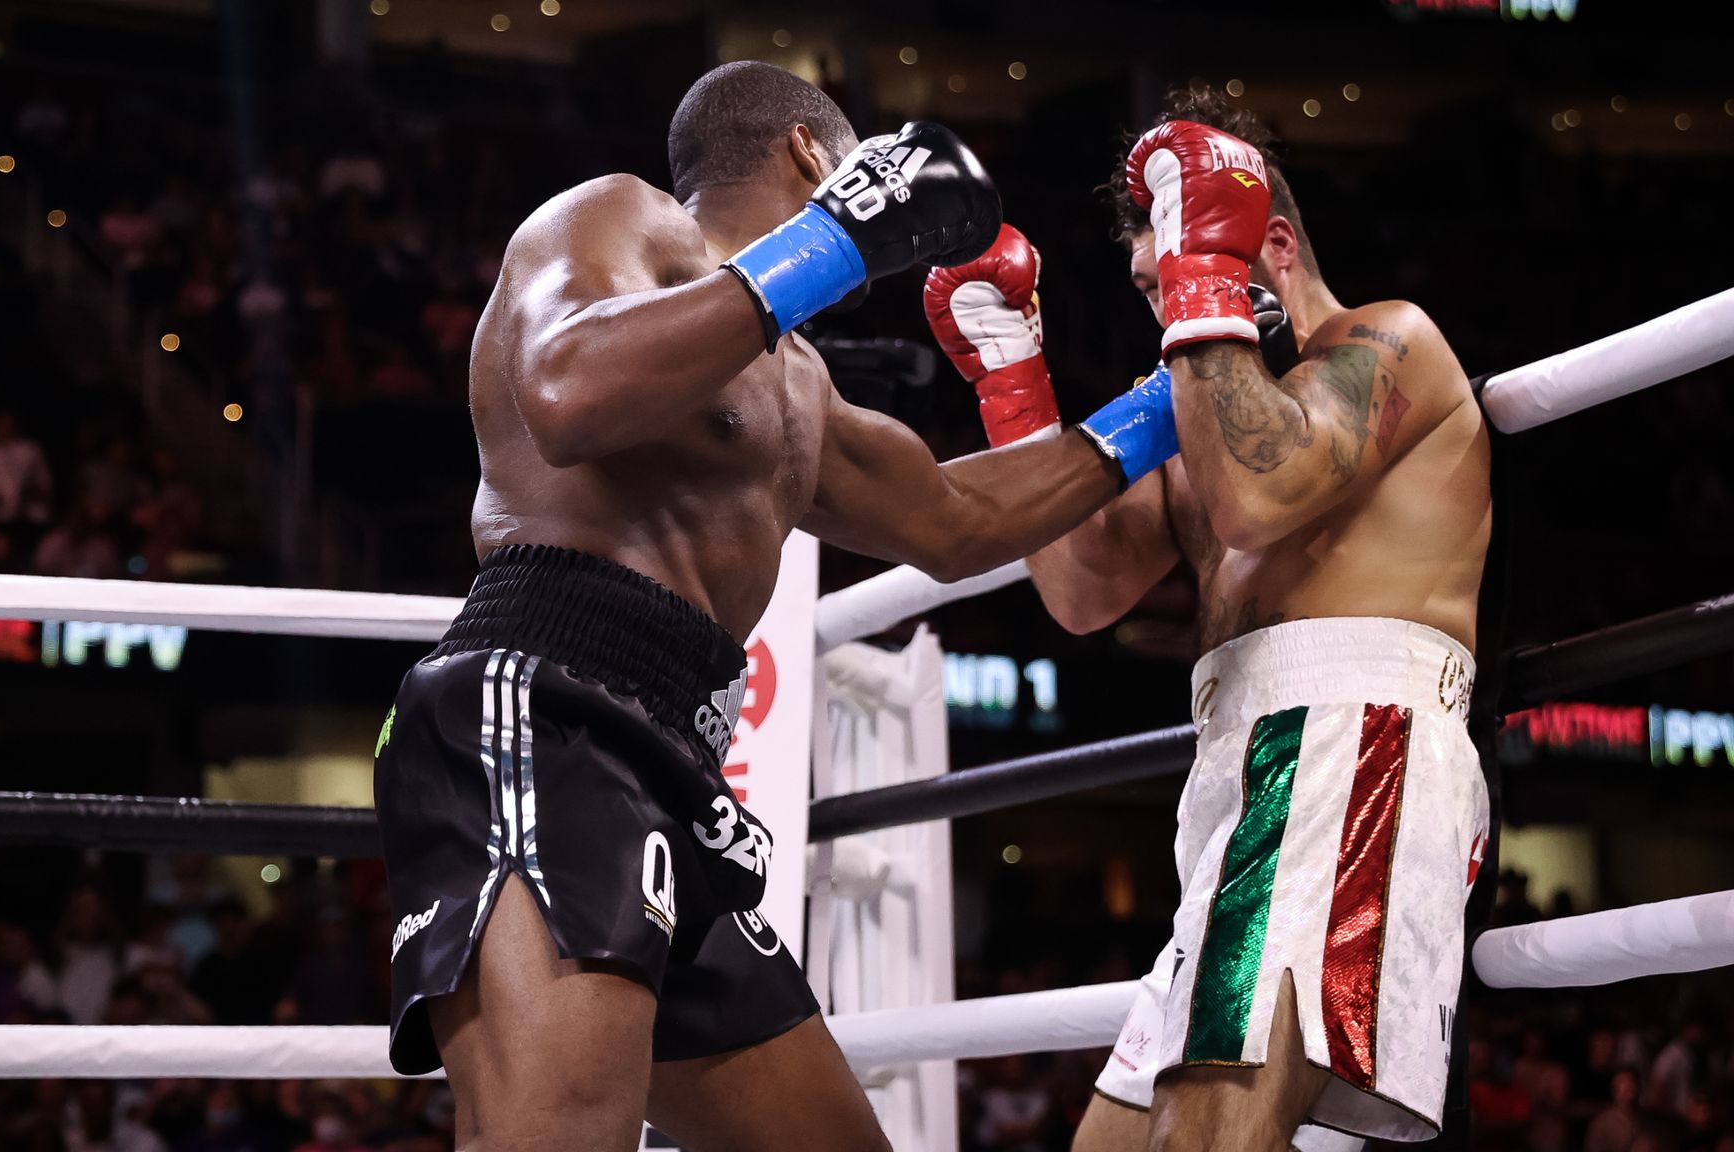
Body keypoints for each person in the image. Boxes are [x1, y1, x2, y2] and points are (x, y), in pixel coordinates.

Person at [374, 61, 1178, 1152]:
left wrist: (1168, 401)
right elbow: (564, 393)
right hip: (548, 705)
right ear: (814, 156)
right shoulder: (622, 219)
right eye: (853, 182)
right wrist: (838, 238)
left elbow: (954, 524)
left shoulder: (794, 383)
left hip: (676, 763)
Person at [948, 88, 1490, 1150]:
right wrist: (1012, 381)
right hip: (1233, 780)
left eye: (1185, 266)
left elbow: (1258, 491)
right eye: (1153, 285)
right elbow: (1080, 589)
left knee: (1202, 1136)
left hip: (1347, 744)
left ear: (1267, 244)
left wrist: (1205, 286)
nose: (1167, 310)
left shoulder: (1387, 342)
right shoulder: (1188, 402)